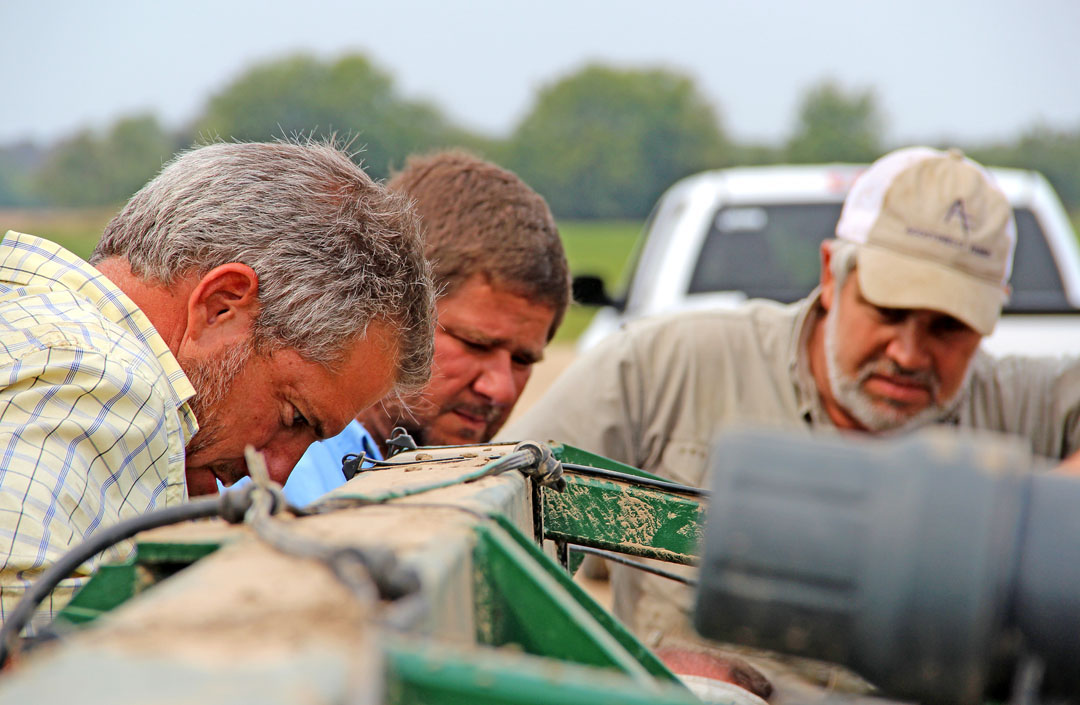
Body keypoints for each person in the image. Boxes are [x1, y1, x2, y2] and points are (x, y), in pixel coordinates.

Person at [502, 146, 1080, 686]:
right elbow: (497, 509)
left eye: (947, 327)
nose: (908, 353)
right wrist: (635, 673)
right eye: (889, 309)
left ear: (989, 320)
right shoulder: (667, 365)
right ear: (832, 275)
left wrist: (1036, 517)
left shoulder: (1021, 400)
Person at [0, 139, 434, 627]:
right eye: (294, 418)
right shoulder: (105, 381)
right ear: (221, 306)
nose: (275, 475)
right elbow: (19, 643)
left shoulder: (30, 326)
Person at [282, 150, 570, 505]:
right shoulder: (278, 481)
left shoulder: (487, 490)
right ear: (390, 306)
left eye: (523, 360)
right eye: (475, 344)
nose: (501, 389)